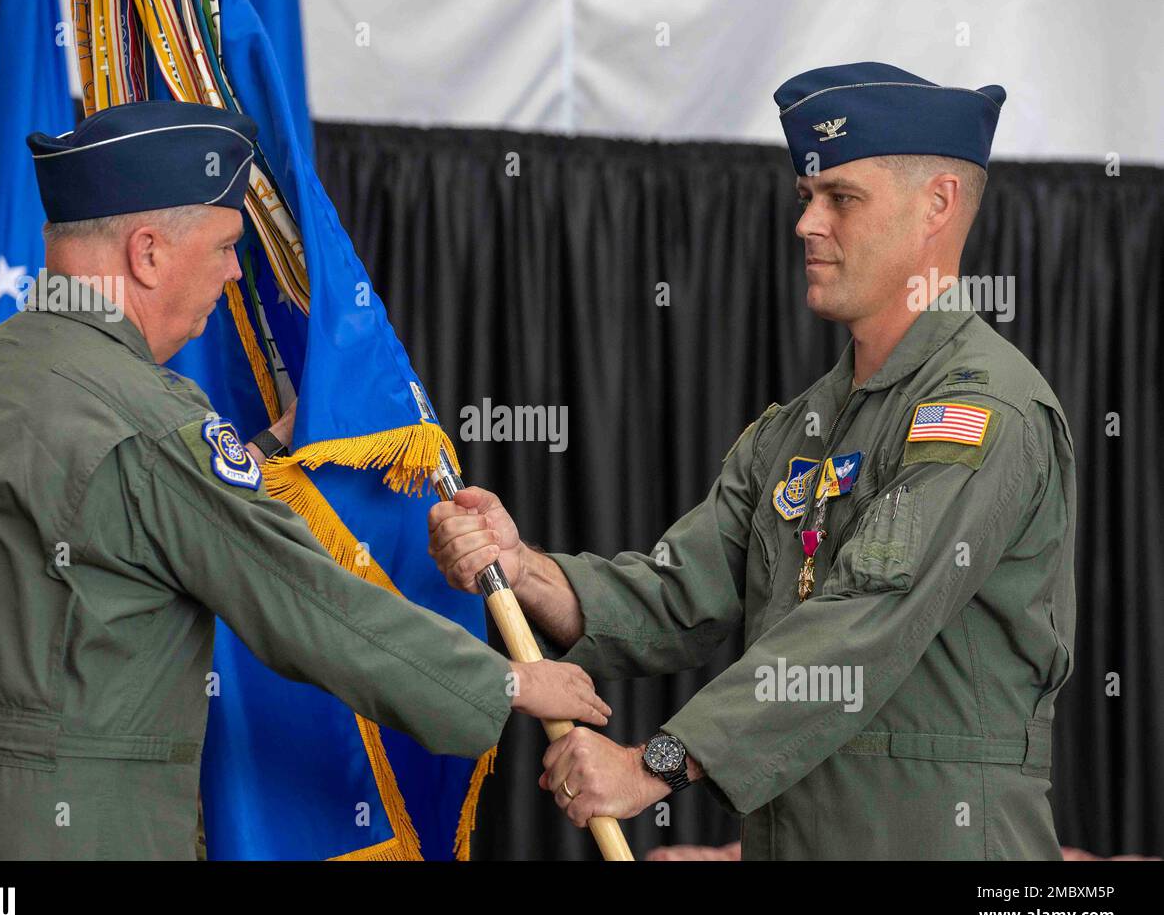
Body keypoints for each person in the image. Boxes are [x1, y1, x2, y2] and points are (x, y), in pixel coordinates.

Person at [0, 101, 610, 860]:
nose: (231, 273)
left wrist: (240, 462)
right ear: (148, 254)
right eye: (225, 246)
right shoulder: (152, 420)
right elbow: (305, 602)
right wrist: (504, 683)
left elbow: (81, 544)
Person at [429, 63, 1077, 859]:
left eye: (842, 198)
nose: (807, 223)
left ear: (937, 204)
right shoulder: (799, 428)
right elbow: (674, 596)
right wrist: (521, 566)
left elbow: (860, 625)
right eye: (807, 198)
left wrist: (654, 764)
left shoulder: (981, 413)